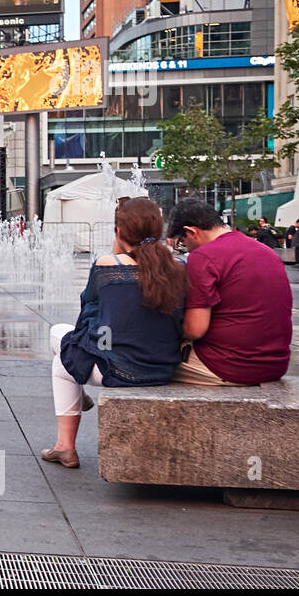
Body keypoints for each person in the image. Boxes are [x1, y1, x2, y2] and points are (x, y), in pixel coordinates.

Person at [41, 198, 188, 468]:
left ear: (119, 231)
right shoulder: (178, 267)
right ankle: (78, 386)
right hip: (163, 368)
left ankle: (65, 446)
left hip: (118, 370)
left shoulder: (108, 265)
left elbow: (88, 315)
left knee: (61, 357)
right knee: (61, 336)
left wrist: (116, 248)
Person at [165, 198, 292, 385]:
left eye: (182, 243)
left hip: (230, 366)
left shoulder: (203, 256)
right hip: (276, 365)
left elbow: (194, 329)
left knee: (146, 361)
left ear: (191, 232)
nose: (185, 249)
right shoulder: (265, 251)